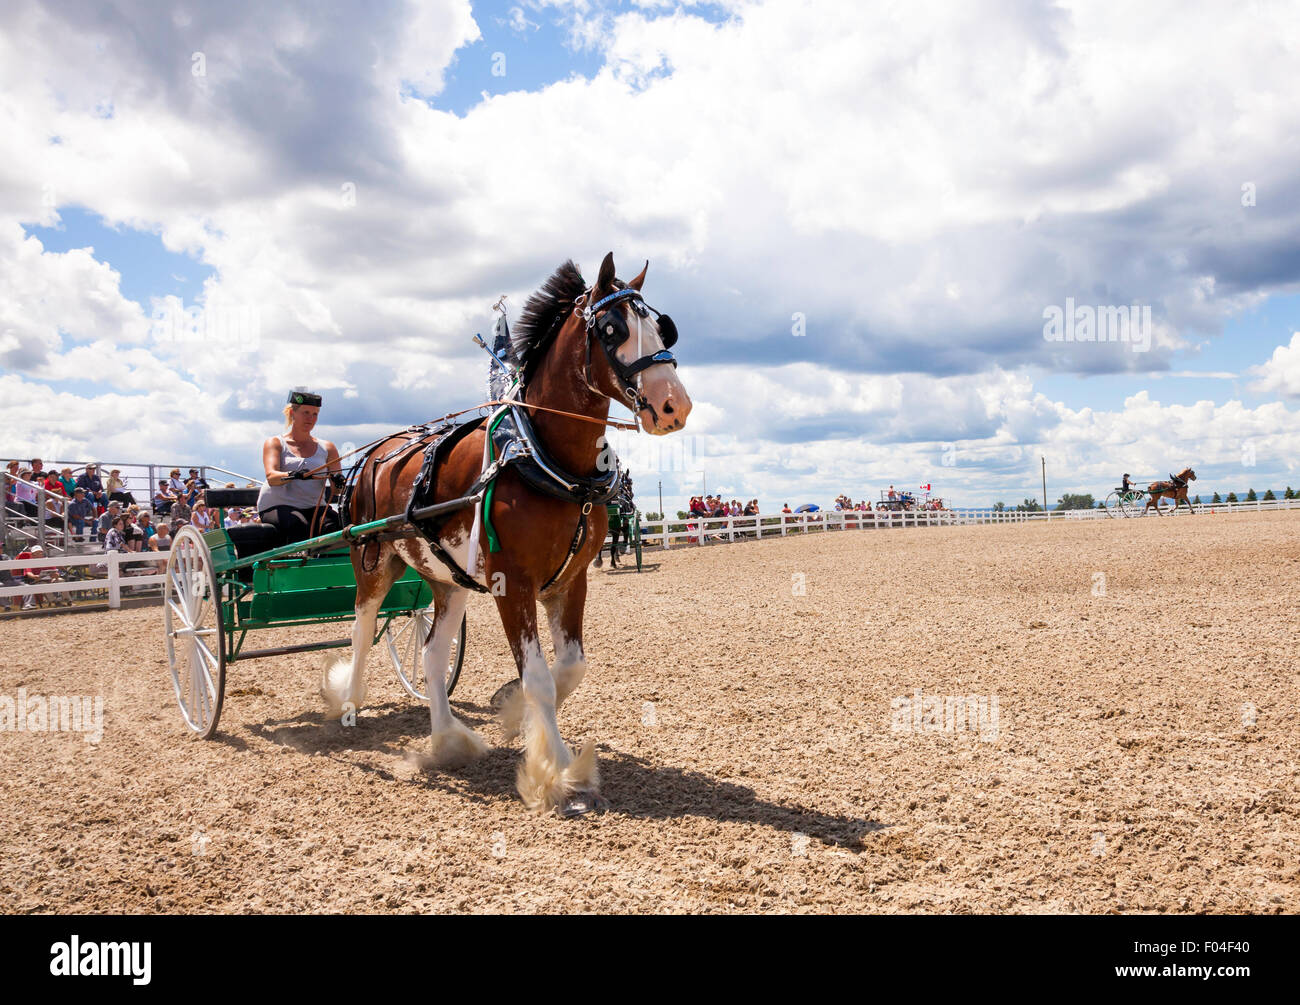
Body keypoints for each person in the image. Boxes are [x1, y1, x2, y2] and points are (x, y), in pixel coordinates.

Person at [256, 388, 344, 546]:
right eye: (306, 412)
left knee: (336, 527)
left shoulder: (328, 447)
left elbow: (337, 491)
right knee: (298, 526)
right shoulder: (276, 443)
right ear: (292, 413)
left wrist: (338, 482)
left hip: (314, 507)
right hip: (278, 505)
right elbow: (272, 477)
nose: (310, 418)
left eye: (315, 414)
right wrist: (294, 474)